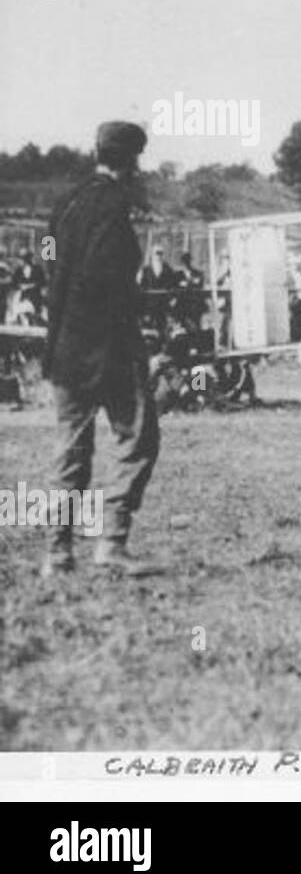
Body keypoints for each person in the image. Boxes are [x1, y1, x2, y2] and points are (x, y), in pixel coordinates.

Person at [43, 121, 162, 578]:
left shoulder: (64, 205)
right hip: (108, 344)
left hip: (66, 345)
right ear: (131, 161)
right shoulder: (114, 206)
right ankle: (111, 541)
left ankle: (57, 552)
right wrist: (135, 315)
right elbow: (108, 273)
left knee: (70, 449)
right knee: (137, 437)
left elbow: (49, 258)